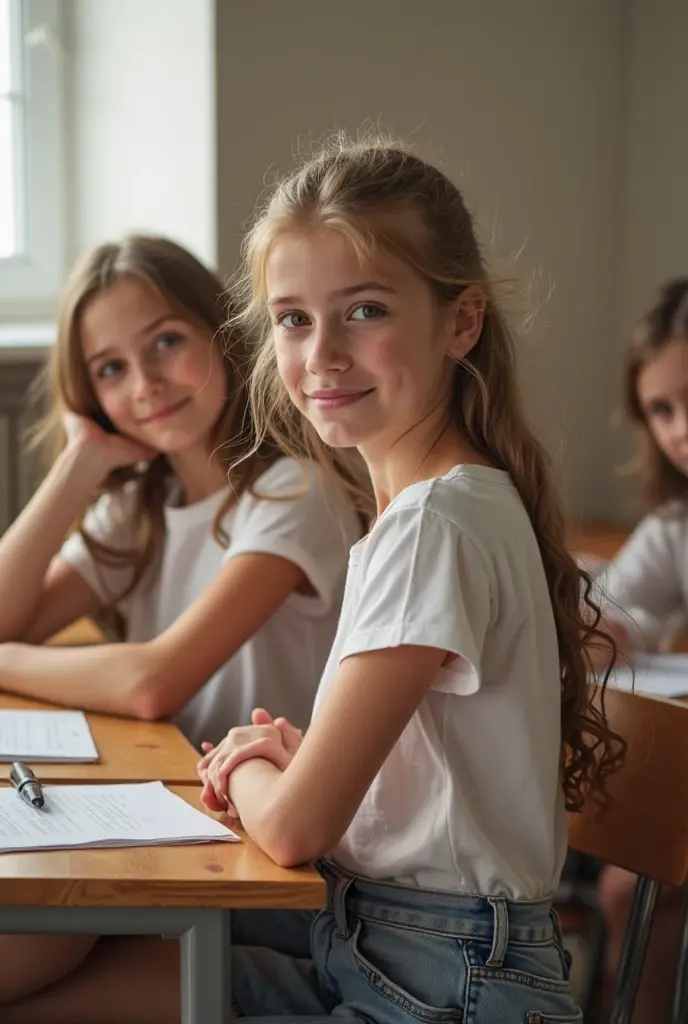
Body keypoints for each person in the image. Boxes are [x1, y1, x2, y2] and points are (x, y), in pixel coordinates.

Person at [2, 140, 622, 1023]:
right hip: (384, 944)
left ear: (462, 321)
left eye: (364, 310)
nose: (322, 354)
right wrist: (288, 762)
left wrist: (243, 764)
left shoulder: (433, 526)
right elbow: (421, 785)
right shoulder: (429, 513)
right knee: (61, 975)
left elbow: (295, 828)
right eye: (293, 319)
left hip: (443, 983)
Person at [0, 233, 365, 1010]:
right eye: (110, 369)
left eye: (166, 342)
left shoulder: (292, 492)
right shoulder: (143, 506)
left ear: (222, 332)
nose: (146, 385)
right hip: (191, 830)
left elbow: (153, 681)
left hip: (287, 868)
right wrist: (78, 465)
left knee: (36, 945)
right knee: (28, 924)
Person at [592, 278, 688, 1024]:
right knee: (629, 885)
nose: (681, 430)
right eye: (662, 410)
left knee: (636, 884)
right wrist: (597, 625)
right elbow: (611, 615)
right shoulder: (675, 527)